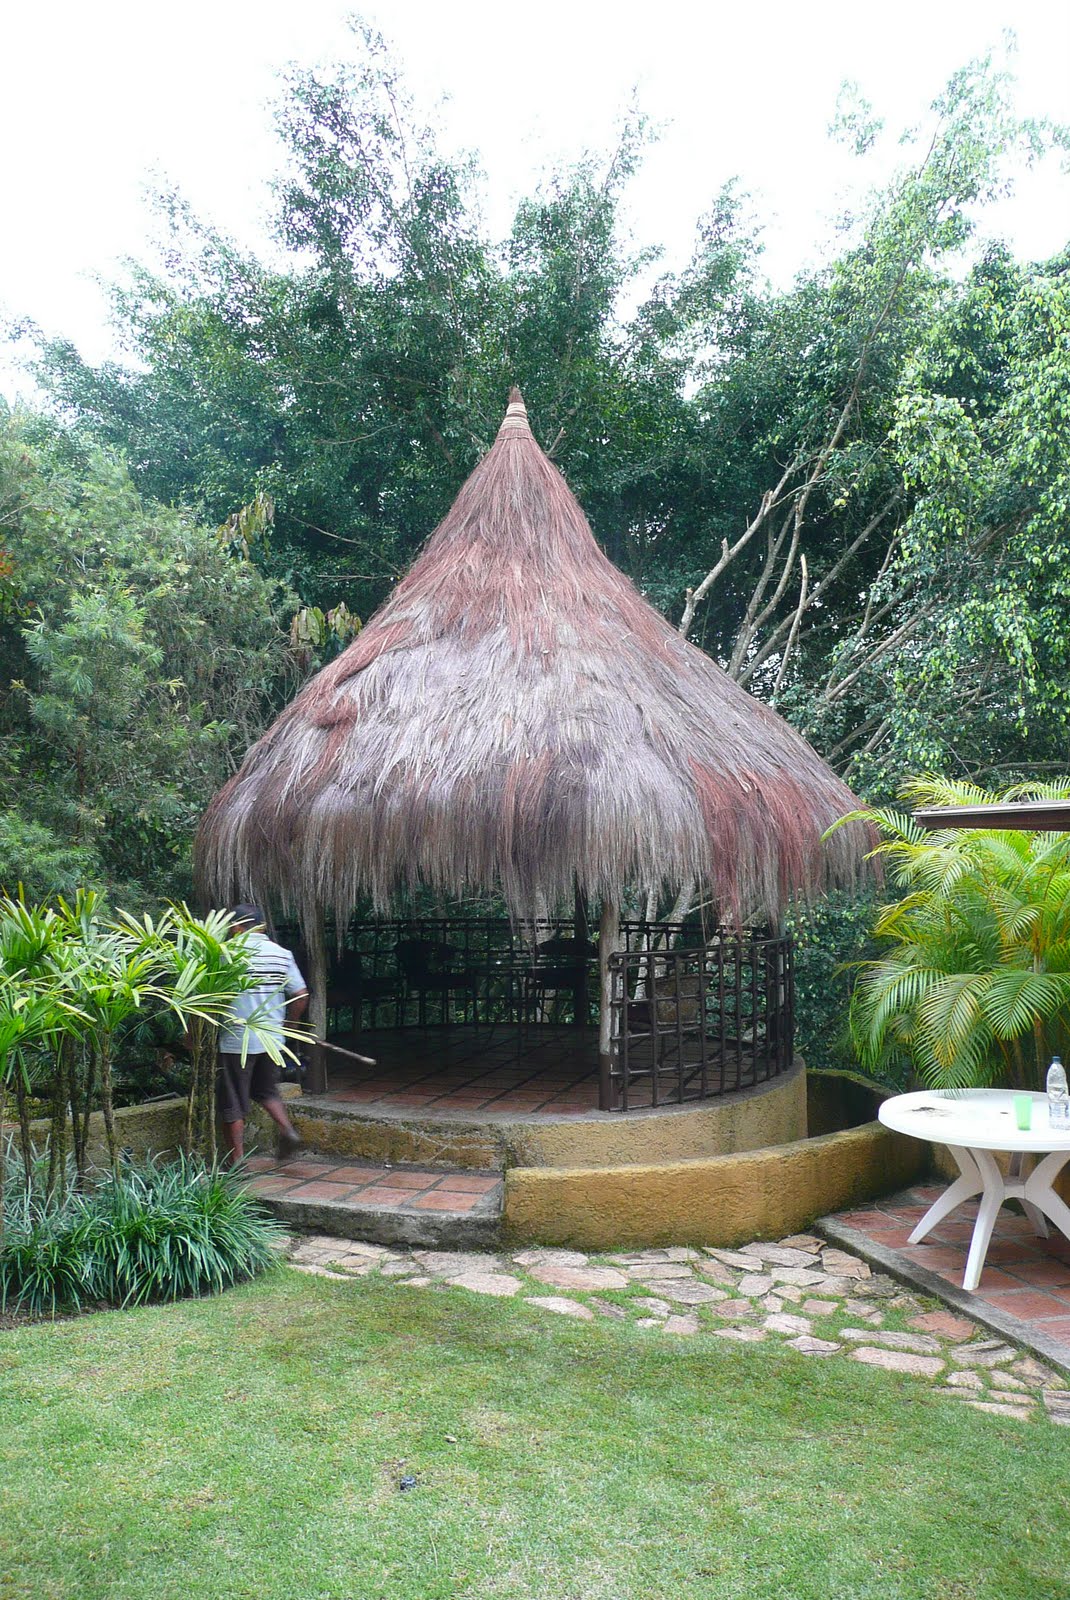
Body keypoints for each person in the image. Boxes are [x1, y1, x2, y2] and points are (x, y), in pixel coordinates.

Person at [217, 903, 309, 1164]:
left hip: (237, 1041)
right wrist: (289, 1024)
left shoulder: (227, 954)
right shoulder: (282, 954)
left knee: (232, 1100)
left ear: (236, 927)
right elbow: (301, 995)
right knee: (266, 1090)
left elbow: (209, 998)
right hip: (271, 1038)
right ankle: (287, 1130)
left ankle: (236, 1162)